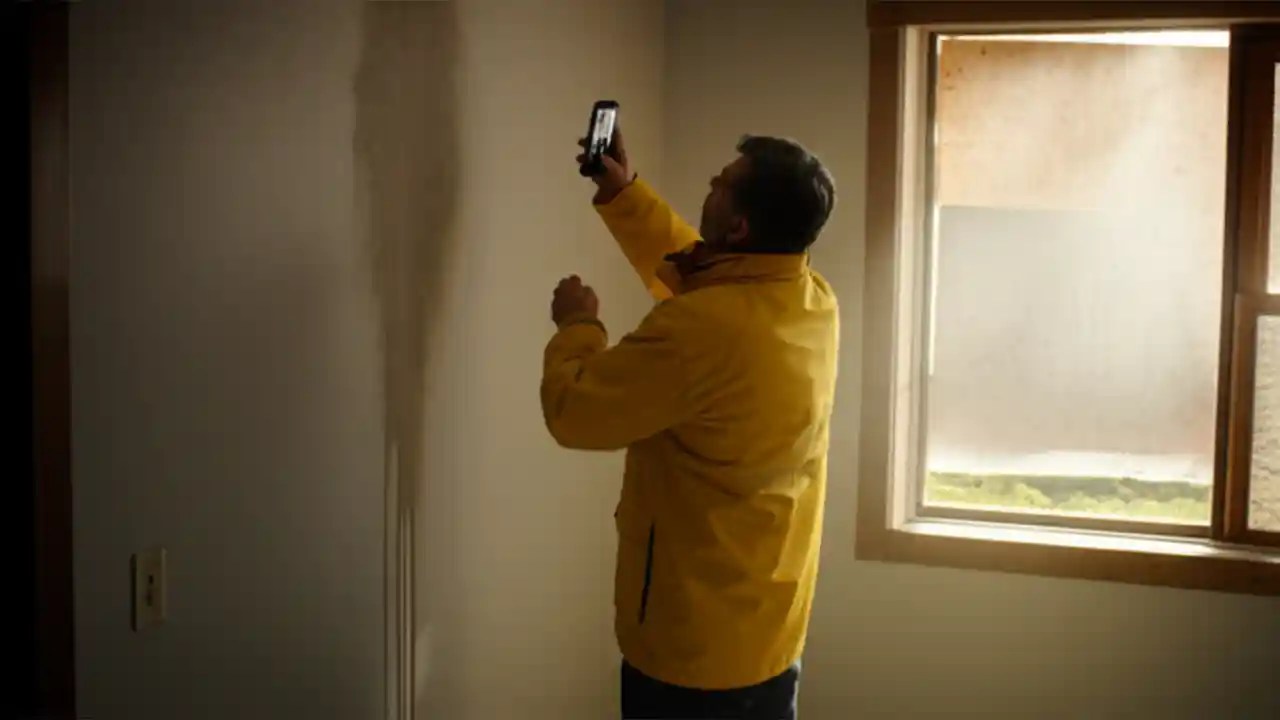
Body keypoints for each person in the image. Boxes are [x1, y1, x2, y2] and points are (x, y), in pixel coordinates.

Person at [541, 126, 838, 720]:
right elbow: (705, 273)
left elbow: (575, 415)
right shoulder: (807, 296)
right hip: (768, 632)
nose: (712, 183)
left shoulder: (706, 330)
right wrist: (625, 194)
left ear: (740, 228)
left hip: (691, 654)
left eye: (723, 184)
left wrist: (578, 327)